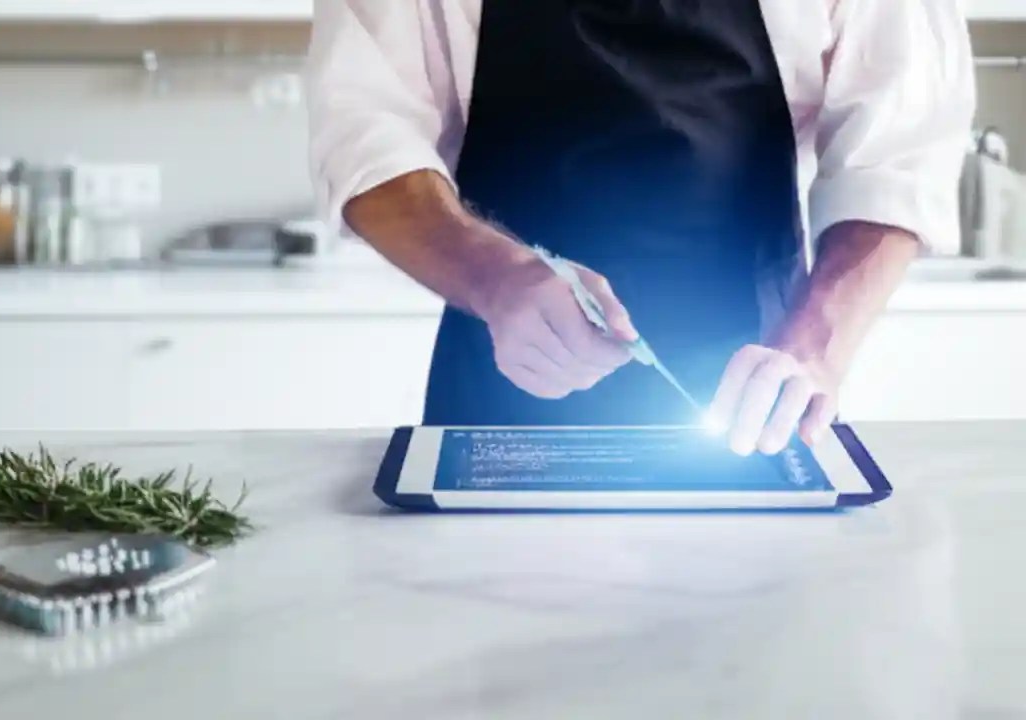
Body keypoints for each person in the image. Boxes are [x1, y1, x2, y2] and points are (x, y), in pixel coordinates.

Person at [305, 1, 975, 456]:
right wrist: (495, 277)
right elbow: (366, 134)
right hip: (504, 400)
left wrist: (815, 347)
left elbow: (899, 149)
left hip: (758, 399)